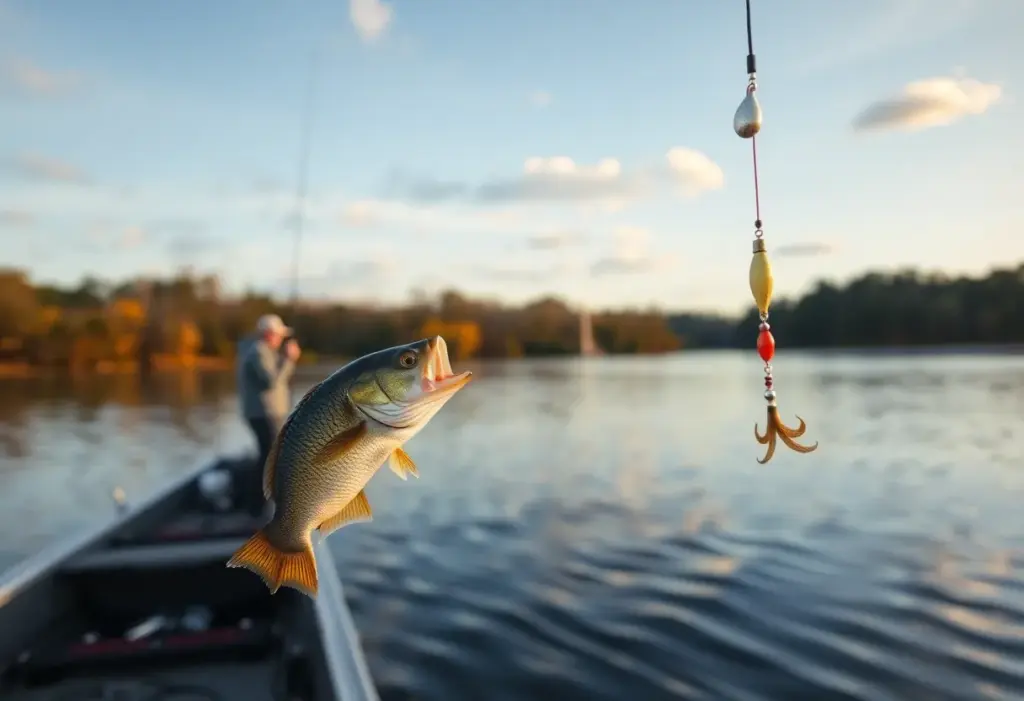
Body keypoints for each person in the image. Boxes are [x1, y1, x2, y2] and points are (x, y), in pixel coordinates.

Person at [237, 314, 302, 475]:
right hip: (264, 414)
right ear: (269, 334)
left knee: (270, 456)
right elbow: (270, 382)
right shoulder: (258, 352)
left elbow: (279, 379)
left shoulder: (267, 352)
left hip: (269, 414)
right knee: (270, 458)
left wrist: (286, 361)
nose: (281, 339)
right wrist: (289, 359)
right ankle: (258, 496)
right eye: (279, 335)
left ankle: (262, 495)